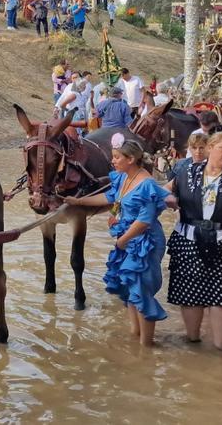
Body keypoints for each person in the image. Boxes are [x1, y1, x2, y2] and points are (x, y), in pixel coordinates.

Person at [66, 139, 169, 346]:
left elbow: (144, 220)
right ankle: (135, 334)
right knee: (129, 287)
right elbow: (110, 197)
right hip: (127, 239)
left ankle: (146, 346)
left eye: (116, 157)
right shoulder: (124, 178)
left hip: (144, 241)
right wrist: (79, 202)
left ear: (131, 159)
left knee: (141, 289)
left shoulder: (146, 184)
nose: (112, 161)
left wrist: (123, 239)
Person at [167, 132, 222, 349]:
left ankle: (219, 347)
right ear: (210, 147)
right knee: (190, 292)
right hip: (188, 238)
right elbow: (163, 192)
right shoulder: (187, 172)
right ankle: (192, 340)